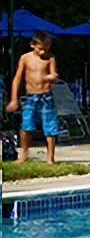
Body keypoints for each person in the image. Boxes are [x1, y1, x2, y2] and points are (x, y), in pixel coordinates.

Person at [7, 30, 63, 163]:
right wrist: (14, 99)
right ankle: (24, 155)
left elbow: (54, 74)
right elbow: (17, 79)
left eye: (46, 48)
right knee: (26, 126)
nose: (43, 52)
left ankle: (50, 158)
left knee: (50, 127)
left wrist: (52, 77)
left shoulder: (50, 58)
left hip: (46, 97)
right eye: (41, 49)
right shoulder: (25, 58)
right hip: (30, 97)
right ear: (32, 44)